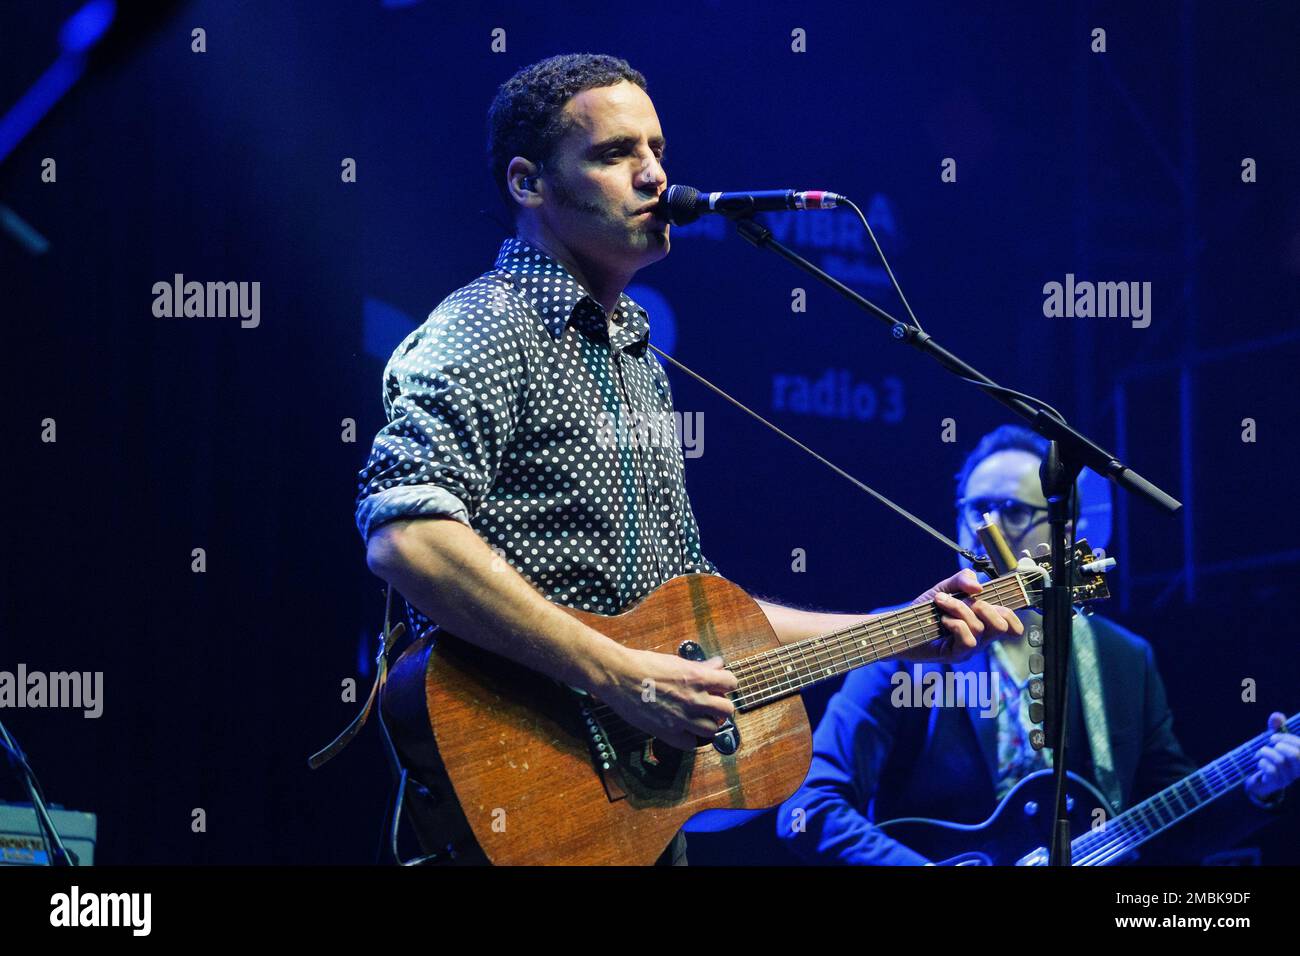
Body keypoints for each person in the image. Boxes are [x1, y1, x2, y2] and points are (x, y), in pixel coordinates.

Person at [354, 54, 1023, 865]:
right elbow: (406, 537)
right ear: (529, 183)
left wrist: (894, 631)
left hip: (634, 810)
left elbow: (707, 624)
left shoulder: (637, 359)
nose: (655, 176)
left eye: (658, 149)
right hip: (526, 791)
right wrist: (620, 676)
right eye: (614, 154)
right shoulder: (489, 325)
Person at [776, 424, 1299, 864]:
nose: (987, 529)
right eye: (974, 509)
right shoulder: (904, 640)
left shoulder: (1123, 659)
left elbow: (1172, 825)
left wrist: (1258, 790)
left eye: (1011, 510)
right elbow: (810, 808)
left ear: (1065, 531)